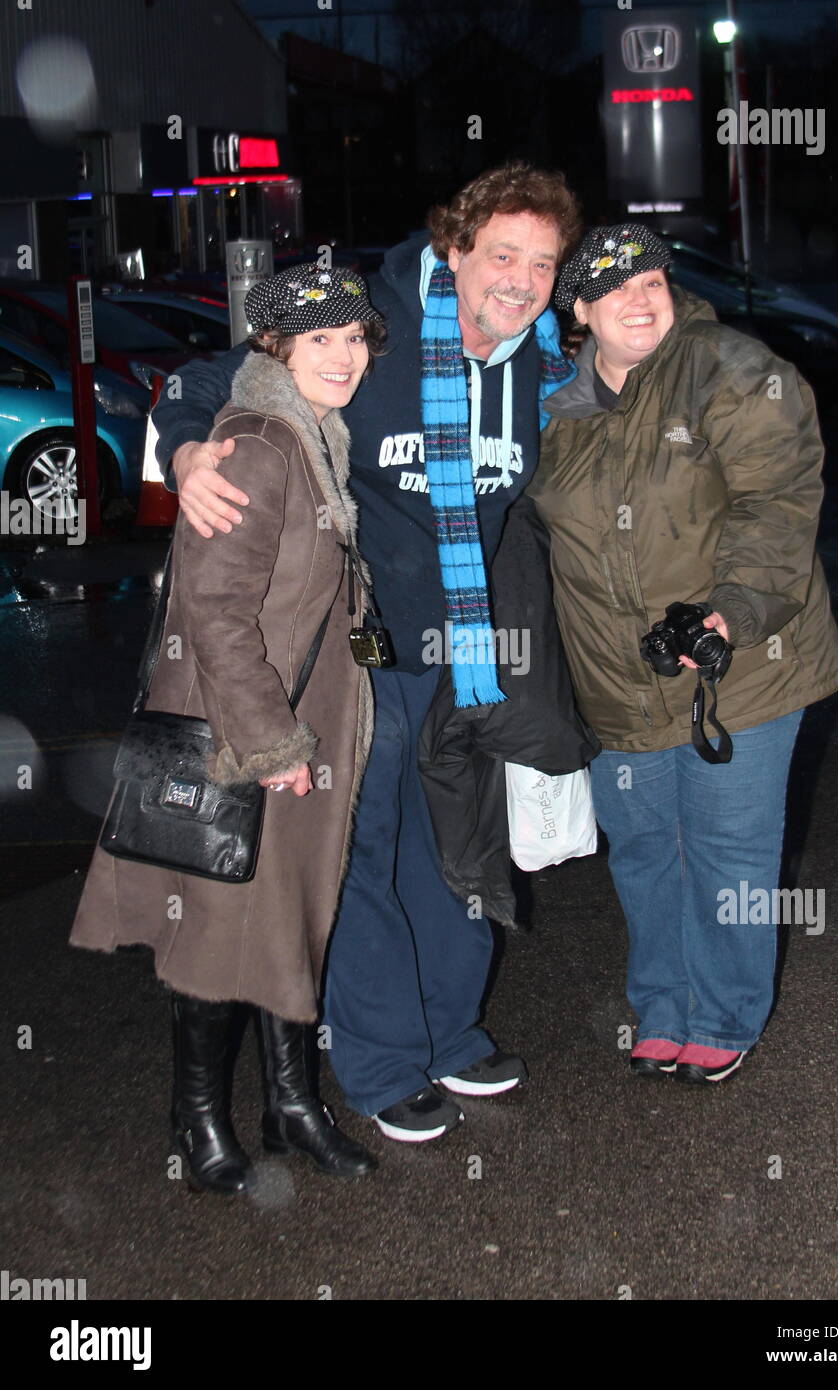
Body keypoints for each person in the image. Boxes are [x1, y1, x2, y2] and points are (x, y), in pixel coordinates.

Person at [149, 164, 584, 1140]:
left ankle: (446, 1030)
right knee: (361, 849)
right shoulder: (369, 322)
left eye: (541, 262)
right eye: (501, 254)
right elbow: (208, 376)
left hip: (465, 651)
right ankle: (382, 1055)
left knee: (455, 842)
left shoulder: (542, 361)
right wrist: (186, 451)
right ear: (454, 250)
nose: (519, 279)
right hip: (356, 647)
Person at [71, 266, 385, 1191]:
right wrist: (272, 743)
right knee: (215, 928)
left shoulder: (316, 433)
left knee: (284, 916)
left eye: (356, 337)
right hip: (242, 733)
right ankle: (197, 1121)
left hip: (299, 722)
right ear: (274, 349)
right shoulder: (255, 443)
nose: (344, 356)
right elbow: (214, 609)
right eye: (320, 339)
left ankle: (291, 1107)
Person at [528, 224, 838, 1084]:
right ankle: (662, 1006)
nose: (639, 298)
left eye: (651, 281)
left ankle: (724, 1012)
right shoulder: (556, 407)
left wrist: (727, 613)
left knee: (728, 848)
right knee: (641, 852)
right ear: (580, 312)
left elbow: (777, 504)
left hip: (736, 667)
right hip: (617, 677)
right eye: (613, 288)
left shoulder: (730, 369)